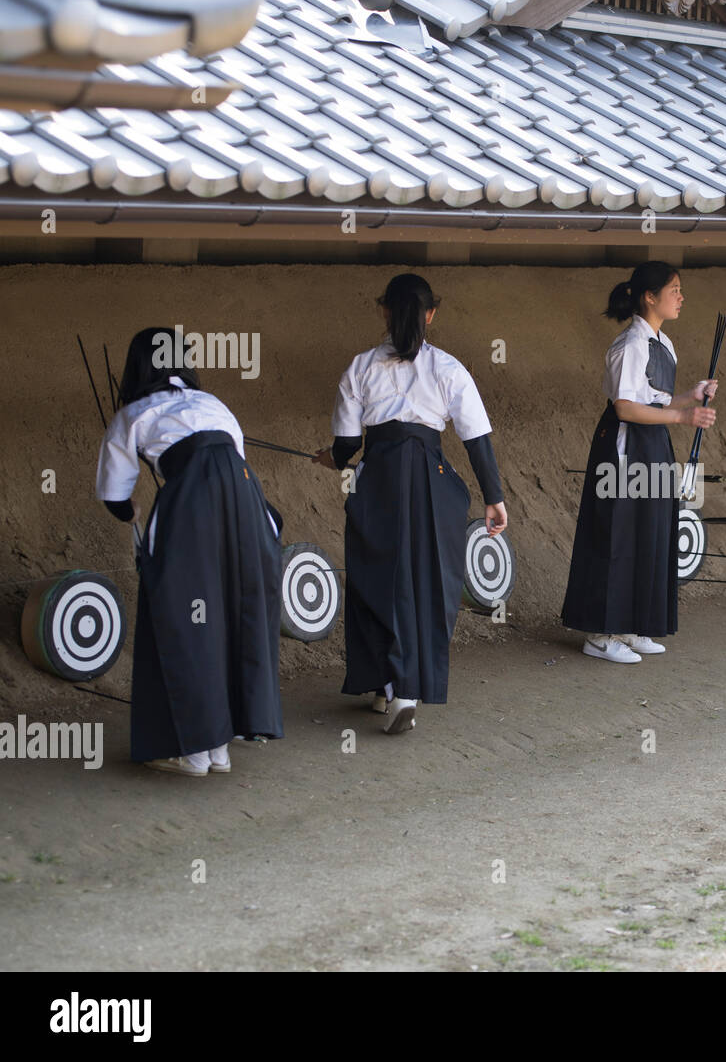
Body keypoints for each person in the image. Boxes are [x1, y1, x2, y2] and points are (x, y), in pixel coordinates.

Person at [314, 274, 507, 734]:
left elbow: (345, 445)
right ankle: (406, 686)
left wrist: (331, 459)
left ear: (384, 310)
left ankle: (389, 685)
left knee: (376, 578)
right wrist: (494, 498)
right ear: (431, 314)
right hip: (431, 483)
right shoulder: (448, 368)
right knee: (426, 581)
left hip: (378, 478)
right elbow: (476, 440)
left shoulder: (360, 367)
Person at [95, 327, 283, 776]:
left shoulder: (132, 413)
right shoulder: (213, 404)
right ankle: (219, 746)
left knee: (183, 612)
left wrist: (132, 513)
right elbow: (232, 457)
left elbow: (114, 496)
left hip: (191, 504)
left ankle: (193, 749)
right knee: (226, 611)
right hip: (244, 498)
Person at [561, 262, 717, 663]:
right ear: (650, 296)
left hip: (653, 444)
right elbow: (627, 407)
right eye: (675, 289)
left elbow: (656, 399)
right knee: (619, 533)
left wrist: (691, 396)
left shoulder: (663, 344)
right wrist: (683, 417)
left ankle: (630, 625)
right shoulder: (630, 343)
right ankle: (599, 634)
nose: (681, 297)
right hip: (623, 447)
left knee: (650, 530)